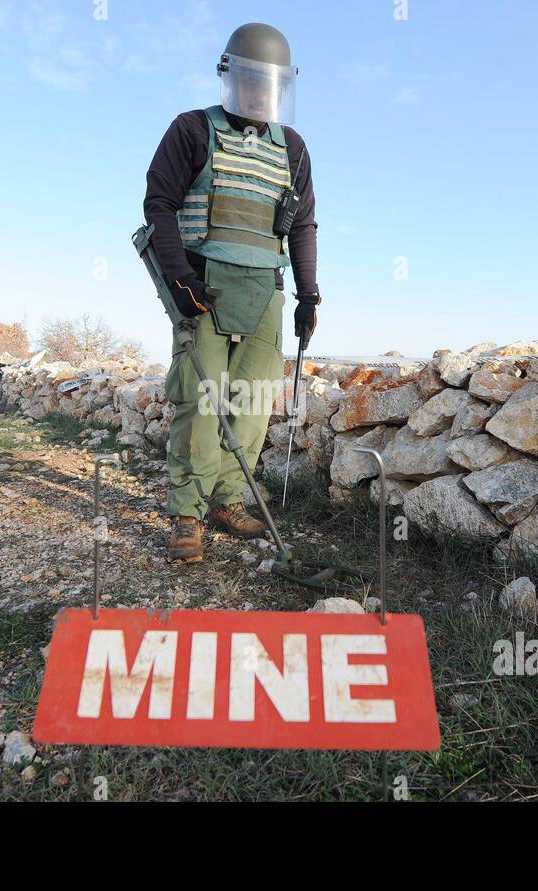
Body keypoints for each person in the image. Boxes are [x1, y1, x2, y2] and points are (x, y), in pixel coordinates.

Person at [143, 22, 320, 563]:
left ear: (281, 88)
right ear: (230, 77)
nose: (259, 94)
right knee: (200, 402)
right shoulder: (192, 130)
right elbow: (159, 206)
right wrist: (181, 280)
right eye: (249, 80)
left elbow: (303, 225)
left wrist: (308, 295)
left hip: (266, 293)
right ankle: (185, 516)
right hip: (202, 288)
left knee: (250, 405)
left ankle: (226, 500)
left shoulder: (291, 147)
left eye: (269, 85)